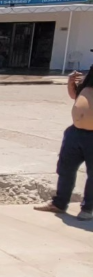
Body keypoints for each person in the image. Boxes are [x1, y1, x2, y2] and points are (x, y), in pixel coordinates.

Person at [34, 67, 93, 221]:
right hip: (75, 132)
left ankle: (88, 208)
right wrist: (71, 82)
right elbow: (75, 96)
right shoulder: (88, 79)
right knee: (65, 168)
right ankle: (59, 203)